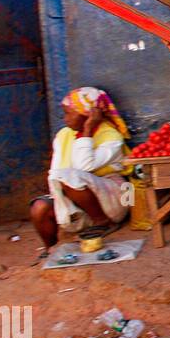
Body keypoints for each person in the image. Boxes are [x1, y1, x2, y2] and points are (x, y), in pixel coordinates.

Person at [30, 88, 132, 259]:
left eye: (69, 113)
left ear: (89, 115)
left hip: (114, 199)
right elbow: (56, 172)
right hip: (77, 199)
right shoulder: (63, 135)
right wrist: (59, 199)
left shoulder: (111, 136)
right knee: (39, 208)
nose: (65, 119)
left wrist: (88, 130)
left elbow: (83, 167)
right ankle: (51, 248)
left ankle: (102, 222)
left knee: (69, 176)